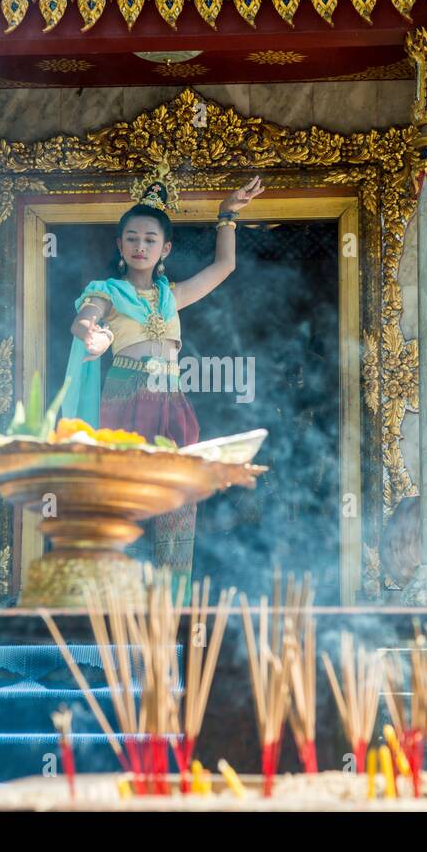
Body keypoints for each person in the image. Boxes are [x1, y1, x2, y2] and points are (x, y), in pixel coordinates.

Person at [60, 170, 265, 592]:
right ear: (120, 245)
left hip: (172, 401)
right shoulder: (108, 291)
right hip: (127, 399)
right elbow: (84, 318)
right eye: (132, 238)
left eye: (150, 239)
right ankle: (121, 614)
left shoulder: (173, 295)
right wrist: (92, 333)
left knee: (176, 506)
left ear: (165, 247)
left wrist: (226, 214)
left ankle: (169, 614)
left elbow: (224, 266)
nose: (140, 246)